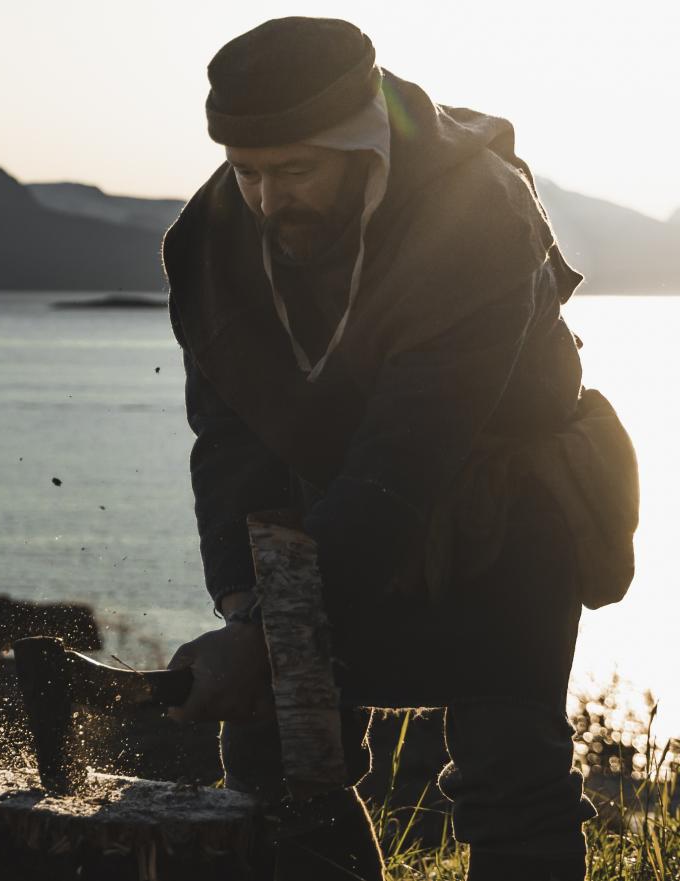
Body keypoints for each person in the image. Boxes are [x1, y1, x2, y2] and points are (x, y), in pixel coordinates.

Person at [163, 17, 638, 881]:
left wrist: (270, 632)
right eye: (249, 173)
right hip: (333, 512)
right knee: (278, 755)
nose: (269, 200)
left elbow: (408, 454)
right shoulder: (207, 244)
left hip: (511, 511)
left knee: (510, 764)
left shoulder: (479, 212)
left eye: (296, 171)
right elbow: (229, 441)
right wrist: (244, 607)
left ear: (359, 142)